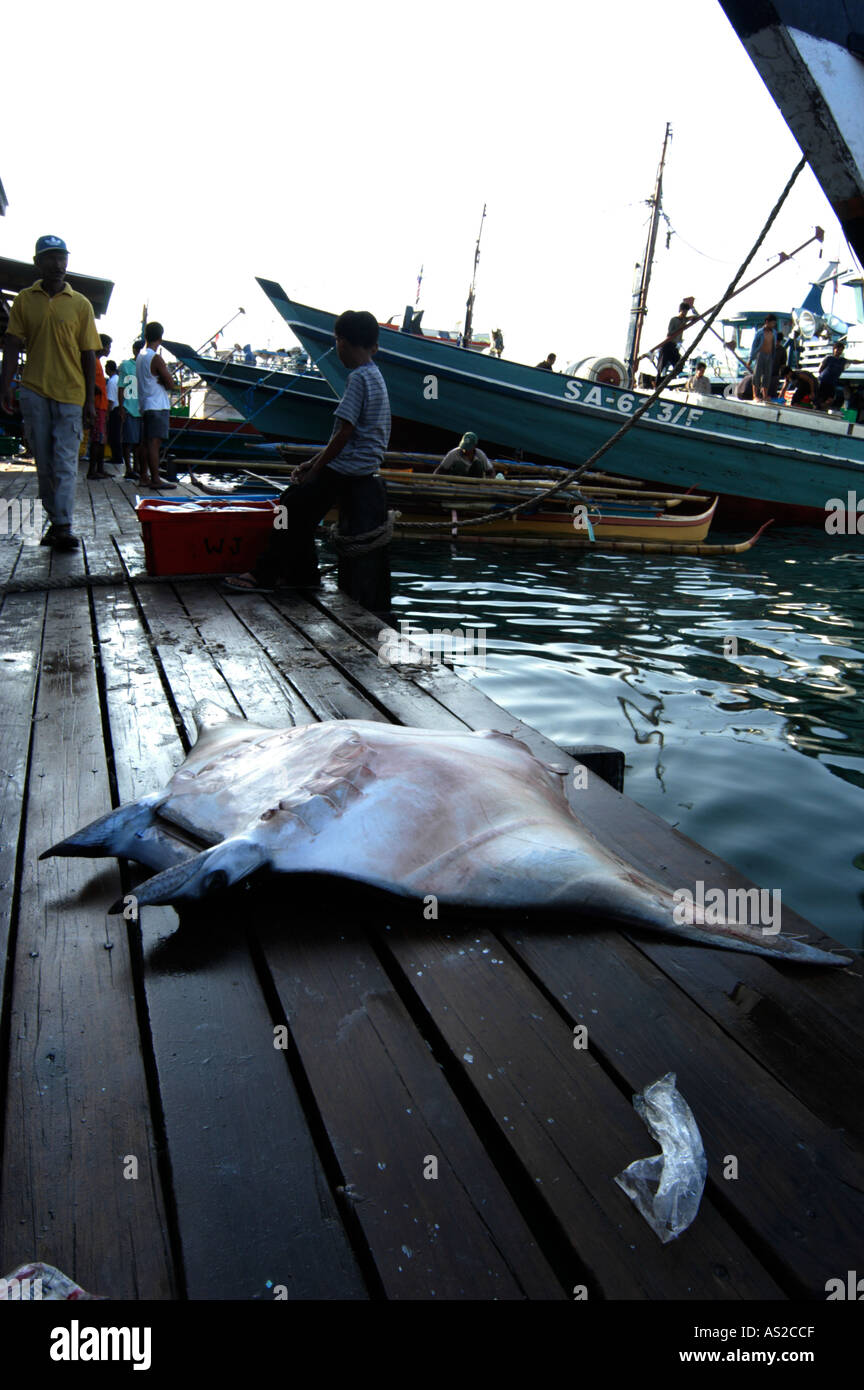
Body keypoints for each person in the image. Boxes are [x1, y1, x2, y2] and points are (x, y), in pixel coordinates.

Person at [225, 309, 391, 613]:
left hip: (348, 468)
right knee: (299, 509)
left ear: (342, 342)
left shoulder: (357, 378)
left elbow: (343, 434)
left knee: (287, 507)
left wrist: (315, 469)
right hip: (362, 467)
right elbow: (346, 436)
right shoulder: (376, 376)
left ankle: (265, 573)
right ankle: (304, 576)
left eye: (337, 341)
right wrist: (312, 463)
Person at [0, 234, 102, 550]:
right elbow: (13, 344)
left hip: (72, 394)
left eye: (62, 258)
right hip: (33, 391)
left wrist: (89, 399)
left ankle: (63, 525)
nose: (58, 264)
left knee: (65, 463)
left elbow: (89, 354)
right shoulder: (23, 300)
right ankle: (55, 521)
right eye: (51, 258)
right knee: (44, 464)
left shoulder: (81, 304)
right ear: (37, 263)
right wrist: (5, 387)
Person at [136, 322, 178, 489]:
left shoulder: (140, 356)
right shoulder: (156, 357)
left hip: (145, 404)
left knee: (145, 442)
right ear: (160, 338)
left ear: (145, 336)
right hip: (157, 405)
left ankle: (143, 476)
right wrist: (164, 377)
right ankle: (155, 479)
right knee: (154, 443)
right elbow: (171, 384)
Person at [87, 332, 113, 478]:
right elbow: (89, 381)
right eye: (108, 346)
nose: (109, 349)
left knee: (101, 439)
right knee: (97, 439)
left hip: (101, 406)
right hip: (97, 405)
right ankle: (92, 470)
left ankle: (100, 469)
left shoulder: (97, 362)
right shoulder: (94, 362)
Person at [118, 339, 144, 478]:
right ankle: (128, 469)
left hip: (142, 409)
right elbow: (121, 387)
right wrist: (121, 407)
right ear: (134, 350)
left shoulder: (146, 366)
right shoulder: (125, 365)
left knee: (140, 442)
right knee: (128, 441)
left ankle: (137, 467)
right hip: (129, 407)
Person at [816, 341, 864, 409]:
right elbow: (820, 369)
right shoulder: (828, 358)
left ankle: (821, 408)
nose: (839, 351)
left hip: (832, 383)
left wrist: (862, 361)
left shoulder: (843, 360)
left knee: (830, 399)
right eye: (838, 349)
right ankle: (817, 408)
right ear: (834, 349)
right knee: (820, 397)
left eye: (841, 350)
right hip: (823, 381)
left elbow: (853, 361)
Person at [658, 298, 696, 376]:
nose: (685, 313)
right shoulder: (674, 320)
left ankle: (671, 379)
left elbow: (696, 316)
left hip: (674, 346)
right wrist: (680, 326)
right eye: (684, 311)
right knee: (661, 367)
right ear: (680, 310)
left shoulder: (684, 320)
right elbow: (670, 333)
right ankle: (658, 383)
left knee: (679, 365)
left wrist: (692, 309)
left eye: (686, 311)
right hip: (667, 345)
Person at [748, 315, 779, 403]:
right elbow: (754, 346)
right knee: (757, 375)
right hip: (760, 355)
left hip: (769, 355)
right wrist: (751, 359)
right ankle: (755, 395)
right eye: (772, 323)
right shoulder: (760, 332)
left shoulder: (774, 332)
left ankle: (765, 395)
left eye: (774, 323)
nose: (773, 325)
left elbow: (773, 345)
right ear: (767, 322)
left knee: (767, 376)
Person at [105, 359, 122, 468]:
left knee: (113, 434)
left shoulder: (111, 382)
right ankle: (117, 456)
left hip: (114, 410)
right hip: (119, 409)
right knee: (117, 434)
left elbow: (110, 400)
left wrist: (107, 414)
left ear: (108, 369)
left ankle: (116, 457)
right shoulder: (118, 379)